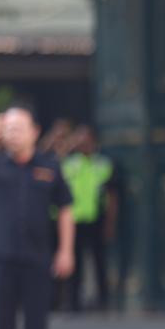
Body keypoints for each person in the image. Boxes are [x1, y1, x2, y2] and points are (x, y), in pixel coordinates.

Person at [0, 106, 74, 329]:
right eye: (7, 128)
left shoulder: (49, 166)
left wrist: (66, 250)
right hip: (0, 260)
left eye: (18, 127)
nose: (12, 133)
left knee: (37, 327)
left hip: (37, 260)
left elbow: (65, 208)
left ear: (34, 131)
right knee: (1, 327)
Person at [60, 126, 117, 311]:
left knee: (99, 261)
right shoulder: (69, 163)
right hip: (74, 220)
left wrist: (110, 222)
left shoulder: (103, 164)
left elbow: (112, 195)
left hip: (96, 218)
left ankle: (104, 302)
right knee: (73, 263)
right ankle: (72, 303)